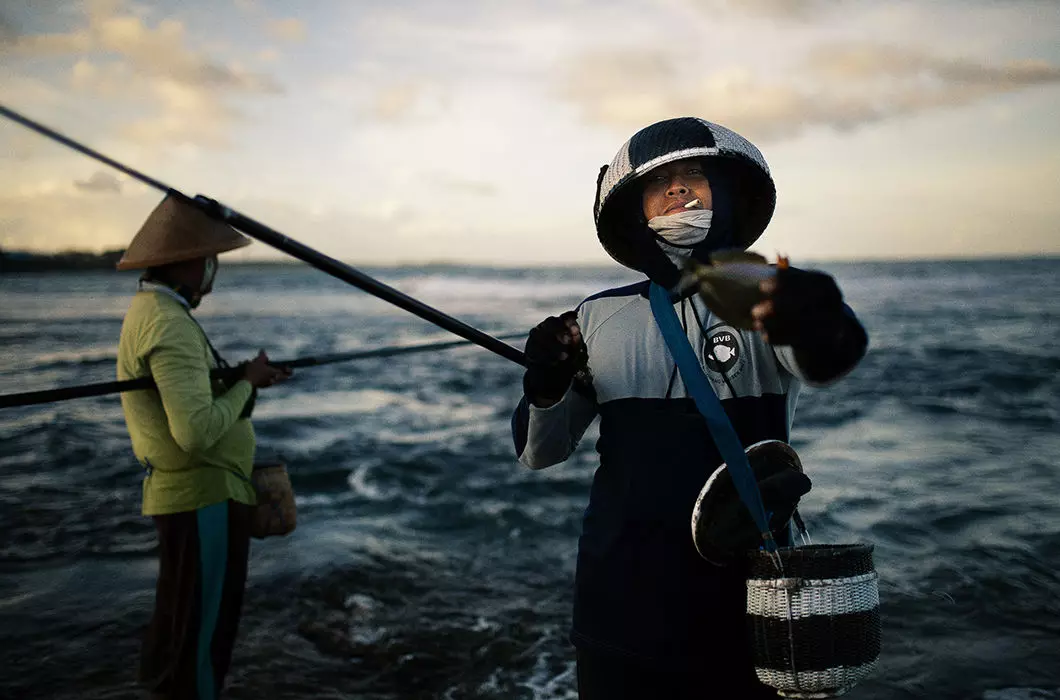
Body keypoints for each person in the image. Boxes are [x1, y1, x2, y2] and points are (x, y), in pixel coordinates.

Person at [511, 117, 869, 698]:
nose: (679, 188)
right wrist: (546, 381)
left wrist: (820, 314)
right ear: (635, 210)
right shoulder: (597, 315)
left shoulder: (762, 293)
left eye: (694, 174)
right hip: (618, 602)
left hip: (752, 601)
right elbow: (539, 452)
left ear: (726, 194)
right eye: (660, 182)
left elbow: (827, 357)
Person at [115, 193, 292, 700]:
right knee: (202, 638)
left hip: (190, 496)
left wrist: (240, 378)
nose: (213, 270)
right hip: (204, 497)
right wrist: (247, 384)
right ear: (188, 260)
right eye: (210, 258)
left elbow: (183, 394)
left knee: (181, 625)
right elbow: (194, 431)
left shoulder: (151, 312)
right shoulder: (169, 324)